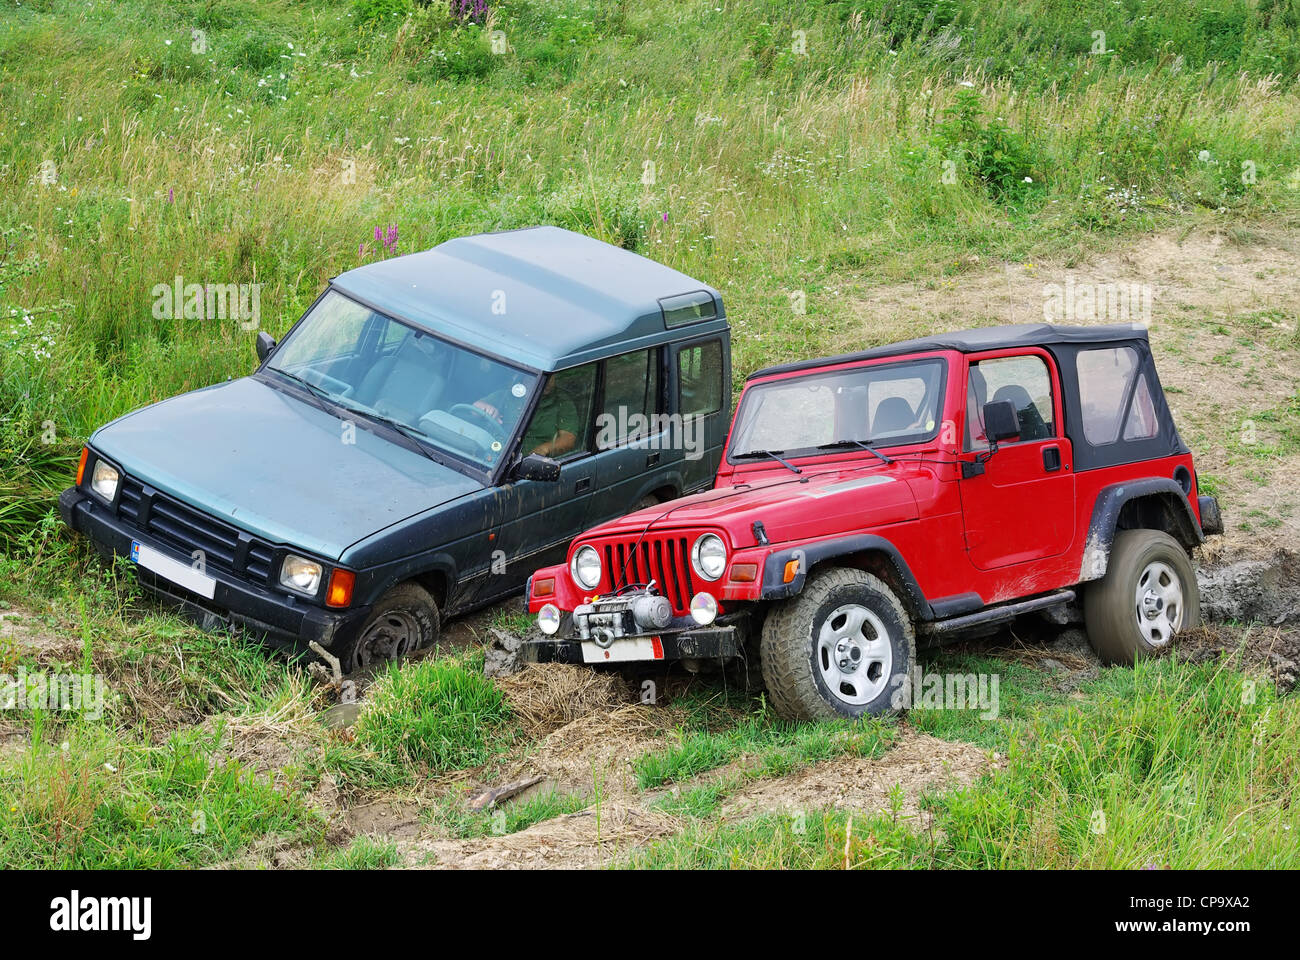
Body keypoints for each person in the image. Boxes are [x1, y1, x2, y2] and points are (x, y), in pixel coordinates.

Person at [475, 375, 580, 458]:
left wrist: (544, 449)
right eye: (534, 378)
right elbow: (474, 408)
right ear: (524, 379)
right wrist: (486, 408)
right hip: (494, 455)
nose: (547, 383)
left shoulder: (562, 402)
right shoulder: (508, 395)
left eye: (550, 377)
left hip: (531, 463)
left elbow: (568, 439)